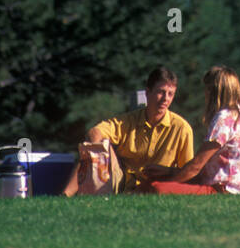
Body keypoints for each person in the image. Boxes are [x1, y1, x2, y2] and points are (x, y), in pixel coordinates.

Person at [62, 65, 194, 195]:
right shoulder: (129, 120)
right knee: (93, 149)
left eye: (170, 94)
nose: (166, 98)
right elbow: (94, 132)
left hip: (157, 186)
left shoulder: (182, 128)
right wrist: (96, 154)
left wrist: (166, 171)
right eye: (161, 92)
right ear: (147, 93)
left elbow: (189, 172)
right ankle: (65, 196)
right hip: (122, 182)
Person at [143, 65, 240, 195]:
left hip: (224, 190)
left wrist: (168, 183)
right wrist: (168, 171)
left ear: (214, 92)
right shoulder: (237, 116)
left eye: (207, 90)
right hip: (227, 187)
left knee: (157, 189)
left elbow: (196, 166)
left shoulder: (224, 118)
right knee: (154, 182)